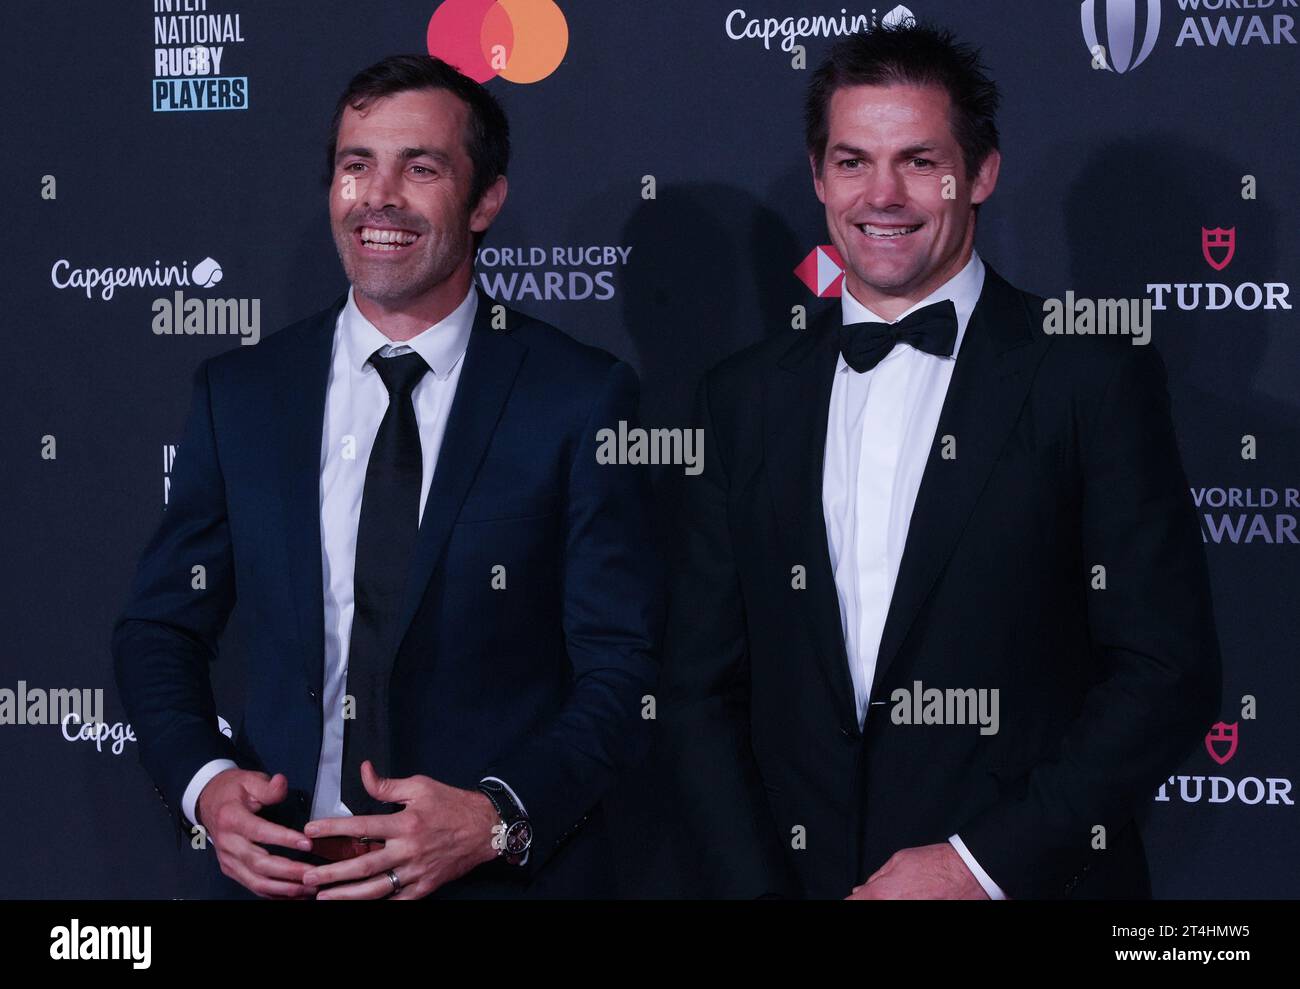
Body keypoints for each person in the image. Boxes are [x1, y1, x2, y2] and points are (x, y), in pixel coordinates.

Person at [659, 23, 1220, 899]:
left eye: (920, 161)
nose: (883, 194)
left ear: (982, 172)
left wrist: (982, 864)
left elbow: (1166, 671)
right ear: (818, 177)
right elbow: (696, 690)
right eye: (852, 162)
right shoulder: (740, 398)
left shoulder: (1088, 374)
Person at [113, 54, 661, 900]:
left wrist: (495, 814)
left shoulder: (579, 398)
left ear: (485, 201)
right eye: (356, 164)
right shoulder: (242, 395)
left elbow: (622, 667)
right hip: (281, 879)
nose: (380, 196)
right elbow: (159, 630)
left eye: (422, 167)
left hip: (493, 883)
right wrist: (205, 785)